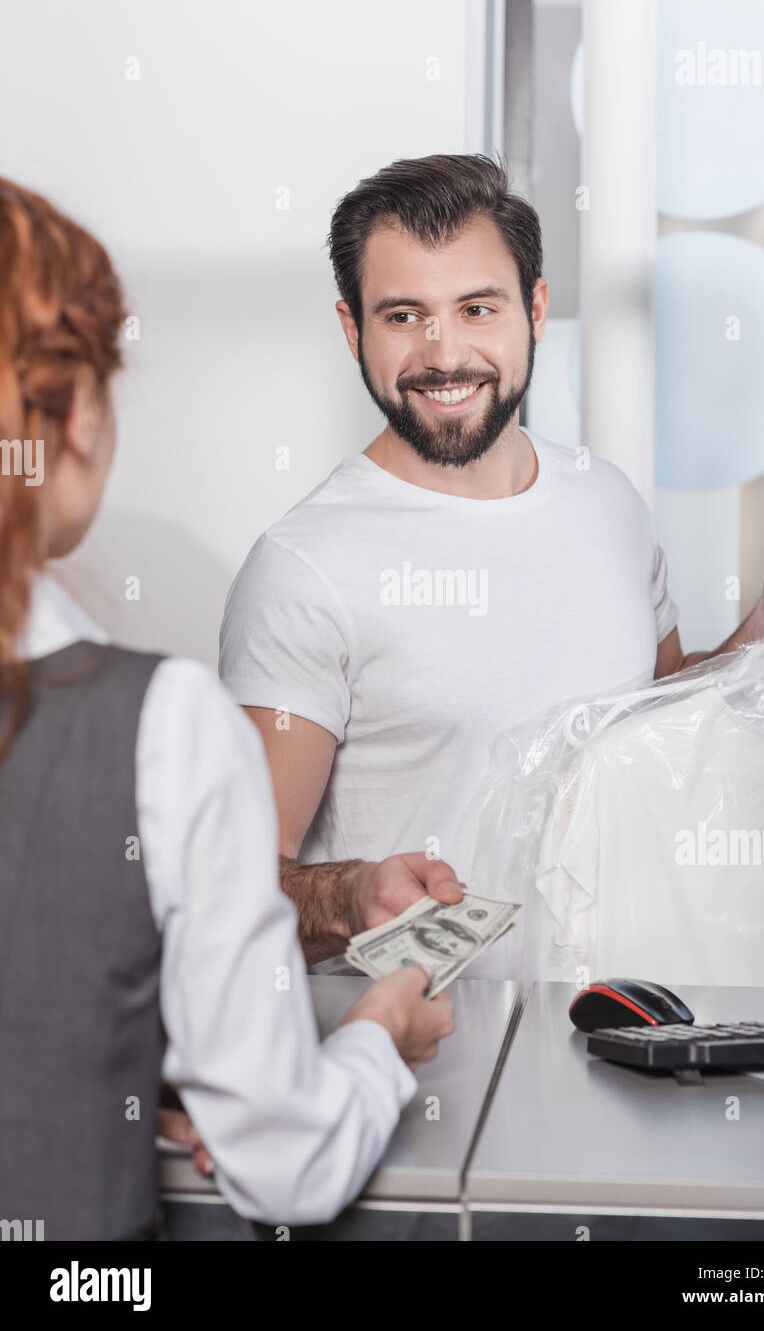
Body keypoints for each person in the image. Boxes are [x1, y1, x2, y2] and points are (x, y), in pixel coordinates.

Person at [219, 152, 764, 977]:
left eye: (477, 308)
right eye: (403, 315)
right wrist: (349, 894)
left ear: (535, 308)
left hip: (626, 1036)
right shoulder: (301, 568)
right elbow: (234, 887)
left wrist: (759, 632)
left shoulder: (606, 502)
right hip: (424, 1071)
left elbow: (645, 721)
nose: (443, 353)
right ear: (353, 330)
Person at [0, 175, 455, 1241]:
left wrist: (141, 1051)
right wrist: (379, 1029)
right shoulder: (154, 728)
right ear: (73, 414)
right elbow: (285, 1166)